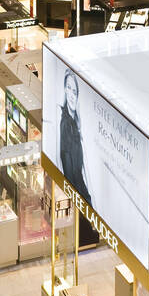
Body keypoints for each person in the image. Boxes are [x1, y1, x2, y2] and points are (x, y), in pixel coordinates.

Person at [58, 70, 89, 201]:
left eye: (75, 91)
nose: (71, 95)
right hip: (77, 197)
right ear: (65, 90)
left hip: (80, 195)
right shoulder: (65, 124)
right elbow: (70, 175)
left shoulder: (75, 125)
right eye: (69, 88)